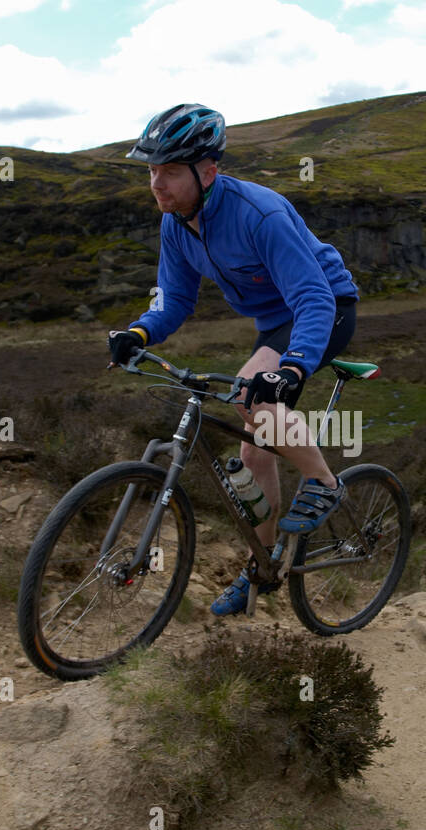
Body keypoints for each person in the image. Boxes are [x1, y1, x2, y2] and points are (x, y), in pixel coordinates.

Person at [106, 103, 360, 615]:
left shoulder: (259, 214)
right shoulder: (177, 221)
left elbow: (313, 297)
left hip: (324, 308)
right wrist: (139, 331)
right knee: (252, 452)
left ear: (209, 171)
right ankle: (262, 567)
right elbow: (174, 300)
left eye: (170, 171)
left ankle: (326, 483)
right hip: (275, 322)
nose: (157, 183)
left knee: (260, 403)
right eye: (152, 170)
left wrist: (292, 368)